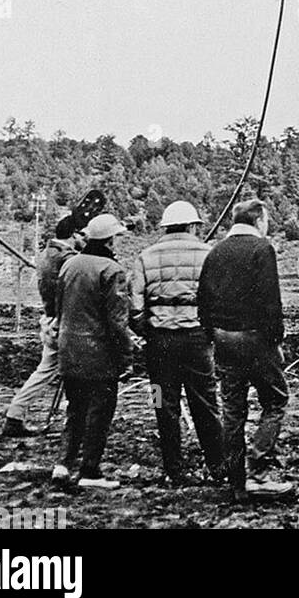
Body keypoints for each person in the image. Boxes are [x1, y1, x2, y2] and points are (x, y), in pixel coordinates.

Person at [197, 199, 294, 502]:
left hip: (223, 340)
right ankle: (259, 471)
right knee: (275, 402)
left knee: (233, 412)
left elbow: (202, 300)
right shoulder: (261, 249)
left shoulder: (215, 251)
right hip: (256, 340)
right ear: (258, 220)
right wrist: (276, 340)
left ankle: (236, 481)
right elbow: (271, 301)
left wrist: (212, 335)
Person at [130, 200, 225, 487]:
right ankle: (218, 468)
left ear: (165, 226)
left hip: (158, 346)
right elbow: (218, 301)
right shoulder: (208, 253)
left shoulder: (145, 257)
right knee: (206, 404)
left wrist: (148, 332)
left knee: (161, 403)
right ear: (193, 225)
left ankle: (173, 469)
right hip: (197, 343)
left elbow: (135, 309)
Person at [53, 213, 132, 490]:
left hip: (68, 350)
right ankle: (90, 470)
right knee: (99, 413)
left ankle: (63, 464)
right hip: (99, 355)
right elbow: (117, 322)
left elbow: (58, 307)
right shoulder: (112, 271)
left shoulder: (69, 264)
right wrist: (127, 356)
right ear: (109, 241)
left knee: (75, 410)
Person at [1, 214, 83, 436]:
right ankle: (74, 420)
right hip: (64, 324)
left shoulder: (46, 254)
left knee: (46, 371)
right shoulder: (68, 259)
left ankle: (15, 415)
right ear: (75, 235)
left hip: (50, 321)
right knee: (77, 373)